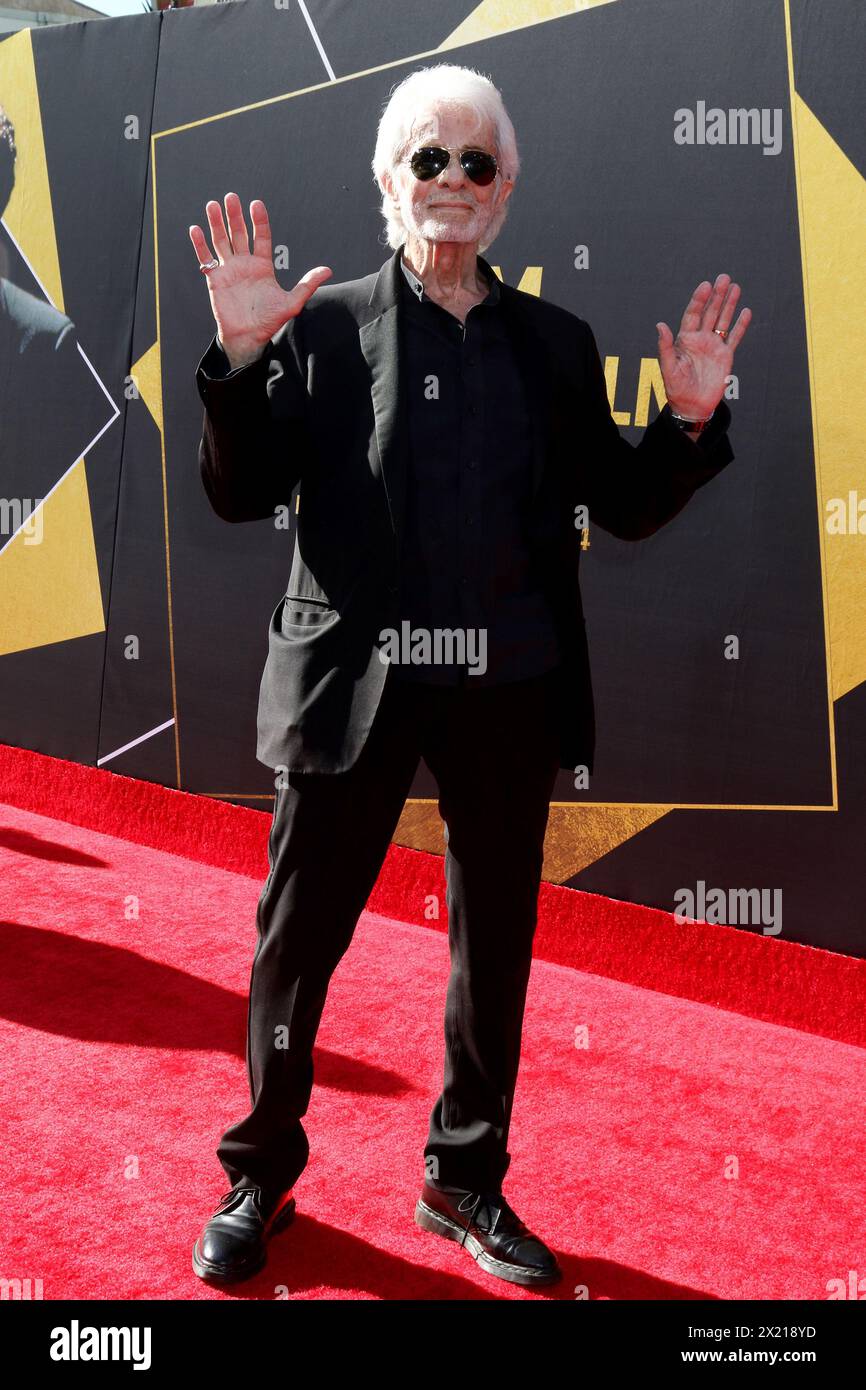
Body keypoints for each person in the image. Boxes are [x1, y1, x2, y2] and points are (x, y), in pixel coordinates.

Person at [188, 62, 751, 1290]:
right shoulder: (323, 326)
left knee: (493, 946)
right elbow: (237, 494)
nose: (451, 181)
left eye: (476, 163)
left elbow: (625, 501)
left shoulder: (555, 344)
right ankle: (262, 1167)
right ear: (388, 182)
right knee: (296, 940)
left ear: (505, 194)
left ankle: (464, 1178)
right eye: (427, 160)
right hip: (353, 683)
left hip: (510, 687)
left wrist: (688, 425)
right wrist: (237, 359)